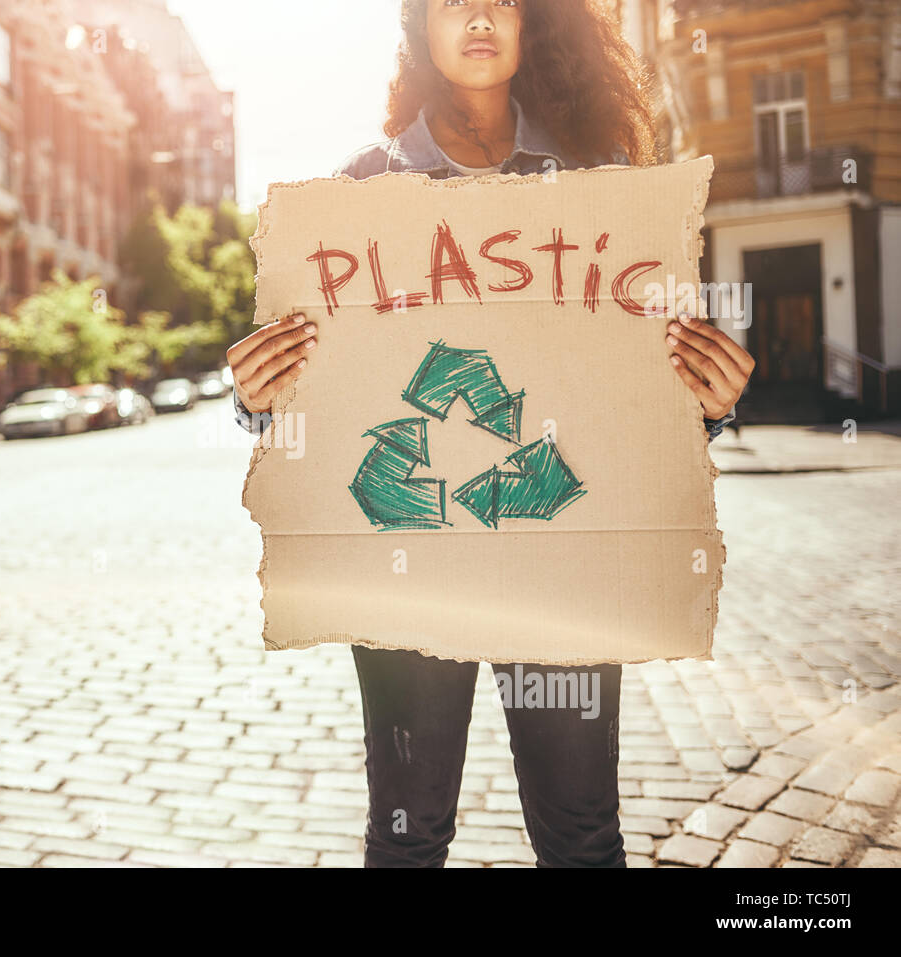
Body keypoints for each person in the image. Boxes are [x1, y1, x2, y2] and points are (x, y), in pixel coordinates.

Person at [226, 0, 755, 867]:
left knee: (582, 832)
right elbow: (302, 403)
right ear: (419, 27)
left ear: (535, 21)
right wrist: (254, 395)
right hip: (409, 557)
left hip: (565, 559)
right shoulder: (357, 193)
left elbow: (642, 388)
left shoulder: (603, 184)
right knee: (408, 831)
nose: (478, 13)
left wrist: (711, 397)